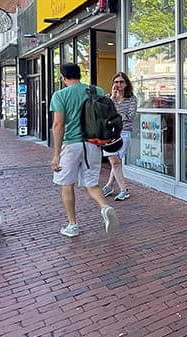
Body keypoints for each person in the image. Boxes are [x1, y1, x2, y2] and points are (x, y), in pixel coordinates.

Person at [50, 63, 119, 237]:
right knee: (91, 183)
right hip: (93, 143)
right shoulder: (97, 91)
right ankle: (105, 207)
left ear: (63, 77)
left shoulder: (60, 95)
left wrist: (56, 154)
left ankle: (72, 225)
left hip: (71, 145)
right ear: (80, 74)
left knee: (67, 185)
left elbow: (58, 125)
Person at [101, 72, 137, 200]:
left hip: (124, 132)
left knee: (116, 162)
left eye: (121, 82)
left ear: (126, 84)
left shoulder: (131, 99)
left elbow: (130, 116)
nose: (118, 84)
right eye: (116, 82)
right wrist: (112, 98)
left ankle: (111, 186)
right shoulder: (108, 98)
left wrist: (117, 109)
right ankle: (121, 189)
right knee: (114, 161)